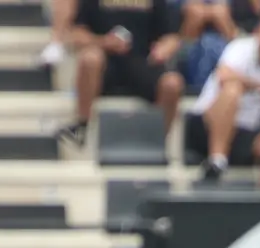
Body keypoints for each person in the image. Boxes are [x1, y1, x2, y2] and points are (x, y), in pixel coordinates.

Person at [187, 16, 260, 181]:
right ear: (258, 33)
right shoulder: (240, 47)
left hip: (248, 131)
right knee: (232, 90)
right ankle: (216, 160)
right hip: (208, 123)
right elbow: (223, 75)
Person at [64, 0, 183, 146]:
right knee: (90, 58)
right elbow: (76, 34)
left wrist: (163, 49)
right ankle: (82, 126)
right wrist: (103, 41)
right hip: (105, 63)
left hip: (143, 62)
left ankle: (157, 141)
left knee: (173, 83)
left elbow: (171, 37)